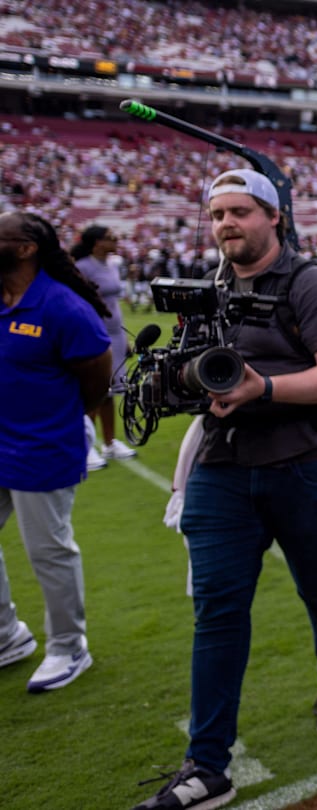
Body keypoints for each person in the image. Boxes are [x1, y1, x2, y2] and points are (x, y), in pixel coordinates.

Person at [133, 169, 317, 810]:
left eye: (240, 211)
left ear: (274, 218)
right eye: (217, 215)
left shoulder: (311, 284)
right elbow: (191, 374)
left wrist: (260, 388)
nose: (226, 225)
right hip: (222, 465)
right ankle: (207, 766)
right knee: (217, 609)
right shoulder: (203, 289)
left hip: (308, 463)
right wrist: (171, 382)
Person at [0, 210, 112, 693]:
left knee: (48, 551)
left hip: (43, 446)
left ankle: (69, 646)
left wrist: (71, 422)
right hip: (2, 441)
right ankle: (8, 636)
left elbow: (97, 379)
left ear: (25, 248)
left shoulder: (63, 306)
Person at [72, 224, 138, 470]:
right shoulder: (82, 267)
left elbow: (112, 301)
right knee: (94, 392)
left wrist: (124, 336)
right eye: (111, 238)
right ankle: (86, 447)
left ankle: (110, 443)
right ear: (97, 242)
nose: (116, 240)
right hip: (93, 332)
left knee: (111, 390)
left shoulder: (111, 264)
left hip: (114, 333)